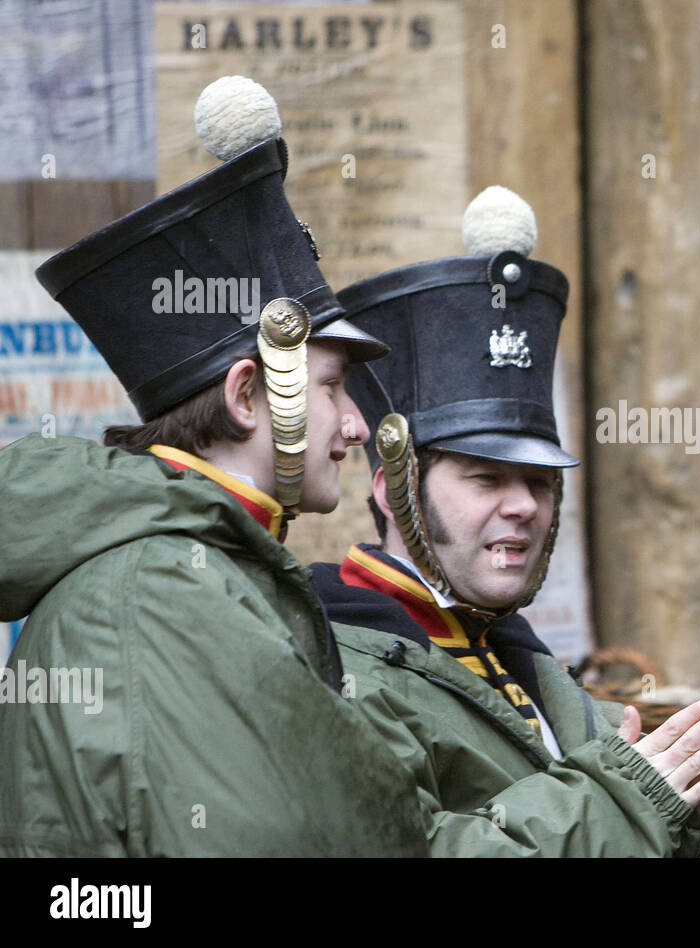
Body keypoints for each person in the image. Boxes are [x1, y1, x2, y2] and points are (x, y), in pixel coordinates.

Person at [0, 77, 426, 856]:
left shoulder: (190, 564)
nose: (357, 424)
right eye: (333, 386)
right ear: (247, 396)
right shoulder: (165, 589)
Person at [309, 186, 700, 856]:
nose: (525, 506)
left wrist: (688, 815)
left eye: (539, 482)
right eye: (486, 478)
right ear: (393, 489)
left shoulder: (519, 656)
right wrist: (633, 799)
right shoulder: (329, 662)